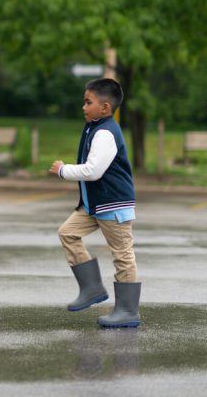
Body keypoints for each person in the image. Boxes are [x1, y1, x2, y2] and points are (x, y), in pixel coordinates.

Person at [49, 78, 141, 328]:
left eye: (88, 102)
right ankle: (91, 288)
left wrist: (63, 171)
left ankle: (127, 310)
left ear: (105, 108)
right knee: (67, 233)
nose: (83, 106)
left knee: (122, 255)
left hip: (113, 205)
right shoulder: (95, 127)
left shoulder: (106, 132)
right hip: (95, 205)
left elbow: (93, 171)